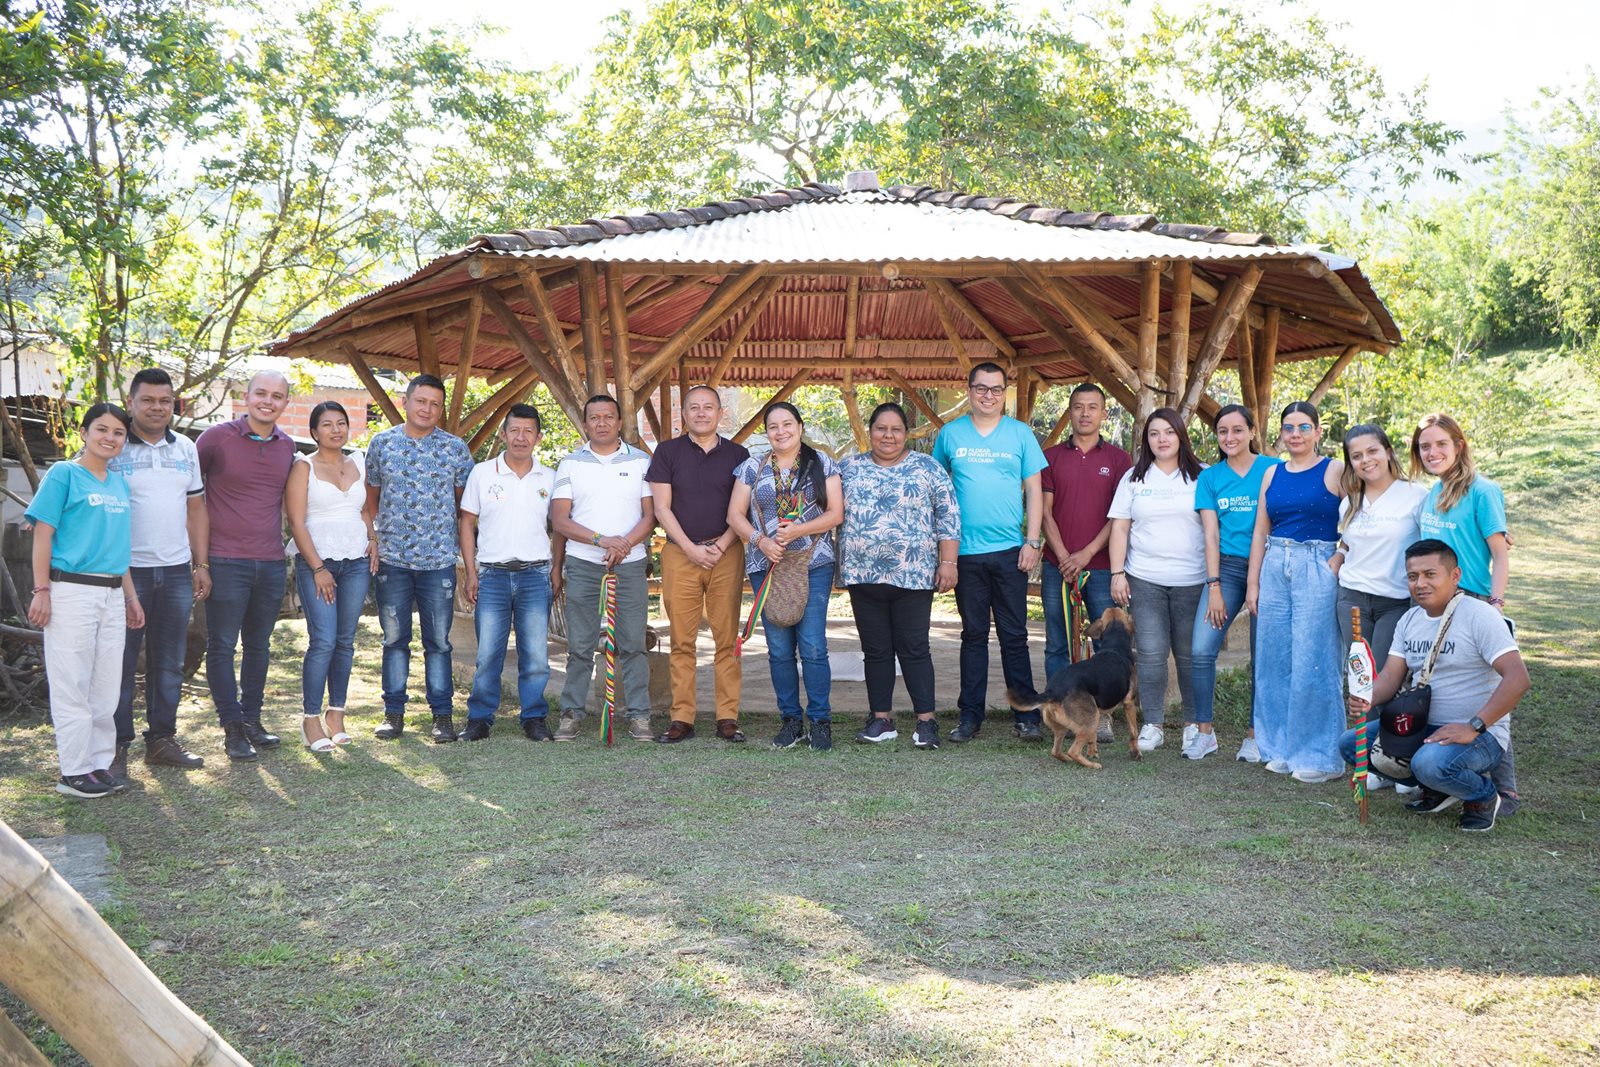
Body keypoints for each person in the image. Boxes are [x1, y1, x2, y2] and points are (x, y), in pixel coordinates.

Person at [1340, 539, 1528, 833]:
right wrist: (1367, 697)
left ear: (1455, 576)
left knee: (1429, 764)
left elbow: (1518, 679)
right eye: (1413, 576)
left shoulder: (1480, 616)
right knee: (1351, 745)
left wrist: (1474, 726)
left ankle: (1483, 796)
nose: (1420, 584)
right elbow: (1390, 678)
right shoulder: (1410, 619)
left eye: (1430, 574)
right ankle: (1440, 787)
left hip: (1479, 734)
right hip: (1420, 728)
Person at [26, 403, 145, 798]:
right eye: (102, 429)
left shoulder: (118, 484)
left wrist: (130, 597)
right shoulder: (64, 474)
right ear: (84, 432)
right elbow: (43, 534)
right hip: (70, 590)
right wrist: (41, 590)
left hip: (112, 593)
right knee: (71, 682)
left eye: (118, 433)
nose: (110, 438)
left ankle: (98, 764)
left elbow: (119, 547)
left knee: (105, 686)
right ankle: (73, 772)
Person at [1410, 411, 1520, 812]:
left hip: (1473, 601)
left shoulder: (1483, 491)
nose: (1433, 452)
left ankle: (1505, 791)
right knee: (1440, 692)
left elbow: (1499, 554)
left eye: (1441, 443)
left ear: (1459, 445)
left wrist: (1494, 604)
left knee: (1488, 696)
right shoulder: (1429, 495)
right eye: (1425, 446)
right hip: (1433, 604)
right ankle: (1442, 781)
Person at [931, 362, 1046, 744]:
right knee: (973, 635)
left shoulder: (1020, 434)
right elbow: (936, 489)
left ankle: (1027, 715)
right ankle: (970, 716)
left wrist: (1032, 542)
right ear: (969, 390)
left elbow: (1034, 490)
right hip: (965, 553)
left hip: (1011, 551)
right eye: (981, 388)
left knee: (1014, 635)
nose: (988, 395)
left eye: (996, 389)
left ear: (1005, 393)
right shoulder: (950, 434)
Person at [839, 402, 961, 749]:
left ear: (906, 434)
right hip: (863, 575)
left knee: (914, 648)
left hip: (913, 575)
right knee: (875, 651)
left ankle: (926, 722)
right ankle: (881, 720)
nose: (888, 435)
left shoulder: (928, 468)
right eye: (881, 428)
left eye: (896, 429)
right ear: (870, 430)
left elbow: (948, 517)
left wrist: (948, 563)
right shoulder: (848, 468)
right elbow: (830, 511)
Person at [726, 402, 844, 750]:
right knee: (779, 648)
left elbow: (836, 513)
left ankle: (820, 721)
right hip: (768, 565)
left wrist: (798, 531)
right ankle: (790, 720)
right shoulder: (752, 466)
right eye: (773, 426)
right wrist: (760, 542)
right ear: (766, 432)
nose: (781, 431)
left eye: (787, 424)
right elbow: (735, 515)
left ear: (800, 426)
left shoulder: (821, 463)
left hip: (813, 561)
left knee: (812, 646)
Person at [108, 368, 208, 781]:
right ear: (131, 402)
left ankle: (162, 741)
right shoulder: (112, 444)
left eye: (165, 401)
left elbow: (196, 508)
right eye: (148, 400)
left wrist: (200, 564)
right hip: (124, 573)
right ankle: (114, 747)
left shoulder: (185, 447)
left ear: (174, 405)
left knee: (168, 662)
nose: (156, 407)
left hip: (176, 570)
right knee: (119, 661)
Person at [366, 374, 475, 743]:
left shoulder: (455, 448)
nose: (427, 409)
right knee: (394, 640)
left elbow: (465, 505)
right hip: (393, 560)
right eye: (421, 401)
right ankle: (393, 713)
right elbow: (371, 498)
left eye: (435, 404)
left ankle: (442, 716)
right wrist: (376, 539)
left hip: (439, 561)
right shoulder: (382, 444)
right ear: (405, 401)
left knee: (439, 643)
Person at [196, 370, 296, 761]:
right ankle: (232, 727)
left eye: (276, 396)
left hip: (270, 563)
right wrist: (199, 561)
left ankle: (252, 720)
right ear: (246, 395)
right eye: (261, 393)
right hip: (223, 560)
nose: (267, 401)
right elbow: (190, 498)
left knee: (259, 645)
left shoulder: (287, 446)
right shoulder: (216, 438)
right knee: (221, 645)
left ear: (286, 402)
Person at [1246, 401, 1346, 783]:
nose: (1296, 435)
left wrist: (1338, 556)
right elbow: (1260, 530)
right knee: (1274, 660)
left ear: (1318, 432)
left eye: (1304, 427)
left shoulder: (1333, 469)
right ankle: (1281, 747)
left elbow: (1357, 516)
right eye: (1289, 427)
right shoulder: (1272, 473)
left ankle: (1321, 755)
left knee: (1314, 658)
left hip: (1316, 563)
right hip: (1275, 564)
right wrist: (1254, 582)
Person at [550, 394, 657, 743]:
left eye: (608, 417)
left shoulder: (641, 461)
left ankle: (639, 715)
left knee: (633, 643)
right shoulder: (570, 464)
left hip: (630, 563)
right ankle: (572, 714)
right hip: (583, 563)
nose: (601, 423)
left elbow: (650, 515)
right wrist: (602, 541)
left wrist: (623, 545)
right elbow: (560, 519)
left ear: (619, 422)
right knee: (580, 644)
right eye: (594, 417)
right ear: (585, 424)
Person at [646, 385, 750, 744]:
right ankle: (682, 717)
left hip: (727, 553)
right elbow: (661, 508)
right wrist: (690, 548)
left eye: (709, 407)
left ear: (721, 413)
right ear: (684, 415)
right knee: (681, 639)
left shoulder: (740, 454)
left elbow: (744, 509)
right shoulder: (667, 452)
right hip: (679, 553)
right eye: (694, 408)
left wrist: (721, 545)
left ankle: (727, 717)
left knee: (727, 638)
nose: (702, 413)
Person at [1107, 406, 1206, 755]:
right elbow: (1120, 526)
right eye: (1154, 433)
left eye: (1168, 432)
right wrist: (1117, 572)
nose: (1161, 439)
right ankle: (1153, 724)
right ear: (1146, 439)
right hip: (1145, 579)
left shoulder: (1202, 476)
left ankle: (1195, 725)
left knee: (1190, 655)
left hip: (1193, 580)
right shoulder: (1135, 477)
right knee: (1149, 654)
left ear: (1181, 436)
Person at [459, 404, 561, 742]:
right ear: (503, 433)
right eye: (514, 430)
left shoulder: (549, 477)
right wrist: (471, 572)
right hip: (492, 576)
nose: (521, 437)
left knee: (536, 653)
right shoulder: (483, 473)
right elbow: (467, 522)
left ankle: (533, 717)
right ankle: (479, 718)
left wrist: (556, 567)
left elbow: (558, 527)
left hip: (535, 575)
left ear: (538, 437)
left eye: (528, 431)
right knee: (489, 652)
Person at [285, 401, 377, 751]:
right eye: (327, 424)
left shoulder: (358, 462)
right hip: (318, 563)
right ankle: (310, 719)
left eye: (341, 423)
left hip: (355, 562)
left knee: (345, 640)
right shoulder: (302, 467)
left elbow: (365, 508)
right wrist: (318, 567)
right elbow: (296, 521)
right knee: (322, 639)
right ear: (314, 432)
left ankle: (335, 714)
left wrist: (373, 539)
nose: (336, 429)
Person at [1190, 404, 1278, 762]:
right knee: (1200, 649)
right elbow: (1211, 534)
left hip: (1270, 567)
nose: (1230, 437)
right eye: (1223, 431)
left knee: (1262, 656)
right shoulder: (1210, 478)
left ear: (1252, 432)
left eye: (1238, 430)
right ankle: (1204, 732)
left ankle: (1256, 735)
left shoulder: (1273, 469)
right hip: (1225, 569)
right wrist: (1213, 586)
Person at [1040, 383, 1131, 696]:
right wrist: (1065, 556)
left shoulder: (1120, 460)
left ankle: (1100, 710)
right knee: (1056, 642)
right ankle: (1059, 707)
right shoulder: (1050, 457)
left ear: (1104, 414)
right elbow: (1044, 512)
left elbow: (1119, 516)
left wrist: (1085, 554)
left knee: (1106, 643)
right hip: (1056, 566)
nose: (1085, 413)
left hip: (1103, 566)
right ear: (1069, 412)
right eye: (1078, 406)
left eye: (1093, 407)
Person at [1332, 423, 1428, 673]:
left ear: (1388, 452)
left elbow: (1440, 532)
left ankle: (1379, 714)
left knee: (1385, 677)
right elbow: (1350, 542)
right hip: (1351, 599)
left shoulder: (1416, 496)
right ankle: (1364, 715)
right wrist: (1340, 553)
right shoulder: (1350, 503)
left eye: (1372, 451)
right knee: (1360, 677)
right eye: (1357, 456)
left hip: (1395, 601)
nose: (1366, 460)